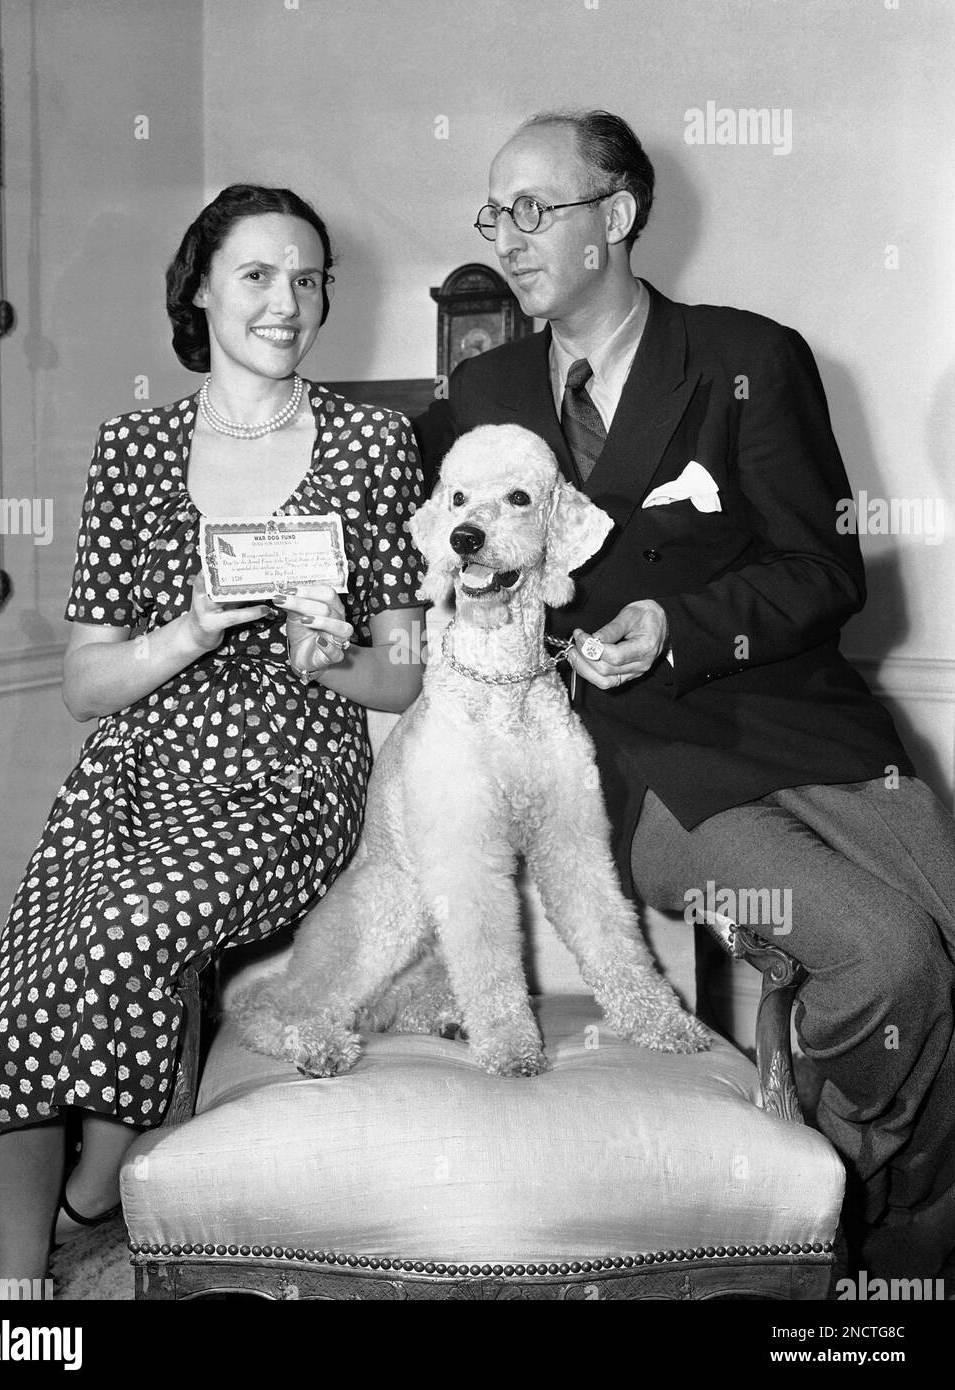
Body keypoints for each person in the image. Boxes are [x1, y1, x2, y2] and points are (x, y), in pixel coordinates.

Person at [415, 110, 955, 1281]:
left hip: (794, 718)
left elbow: (822, 571)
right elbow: (396, 517)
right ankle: (861, 1214)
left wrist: (676, 624)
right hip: (628, 768)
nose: (505, 236)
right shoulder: (484, 387)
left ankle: (865, 1192)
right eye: (490, 212)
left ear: (614, 216)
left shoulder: (748, 354)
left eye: (531, 209)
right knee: (883, 956)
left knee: (947, 940)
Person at [0, 184, 426, 1291]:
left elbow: (404, 669)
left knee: (122, 932)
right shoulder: (132, 448)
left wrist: (337, 661)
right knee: (19, 991)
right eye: (258, 273)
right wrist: (193, 625)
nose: (287, 300)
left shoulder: (373, 444)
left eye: (307, 277)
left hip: (285, 781)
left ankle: (94, 1187)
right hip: (129, 772)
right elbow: (85, 683)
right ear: (202, 288)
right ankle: (19, 1304)